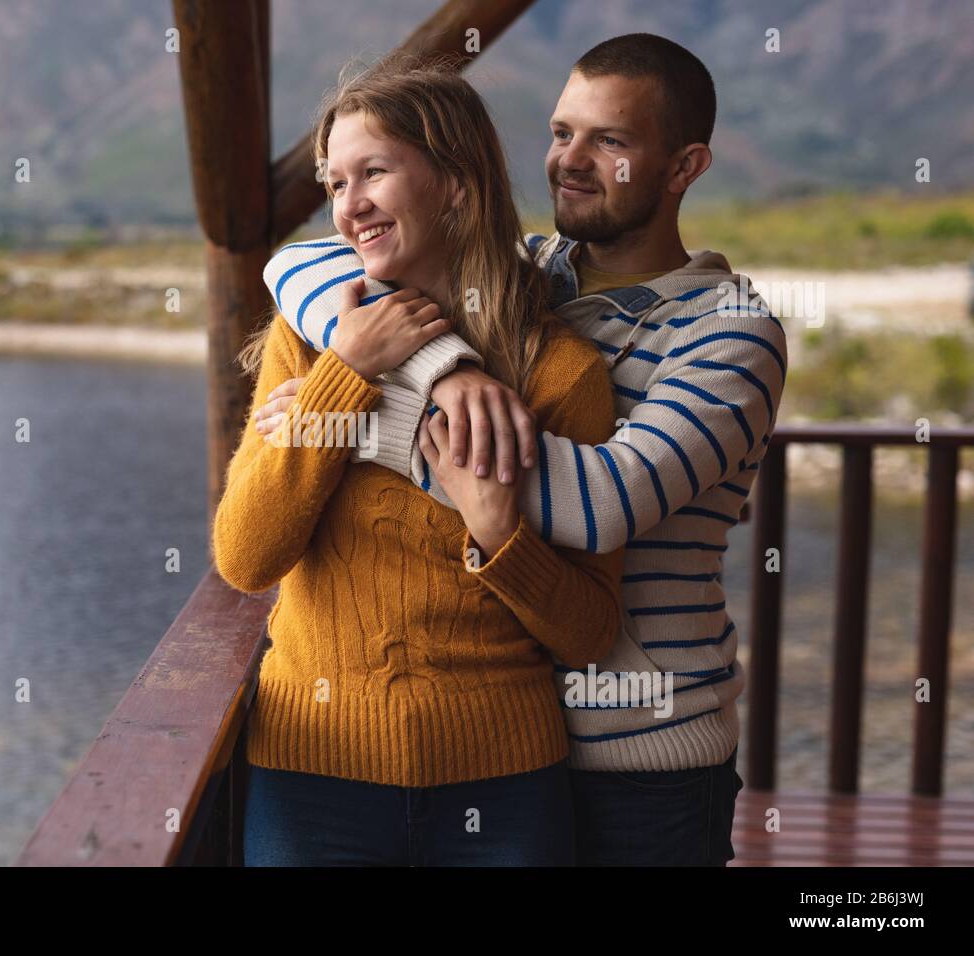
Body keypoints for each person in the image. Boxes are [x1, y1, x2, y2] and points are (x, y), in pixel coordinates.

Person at [259, 34, 788, 866]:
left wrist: (350, 419)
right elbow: (301, 261)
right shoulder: (528, 276)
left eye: (609, 141)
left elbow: (604, 500)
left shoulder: (731, 333)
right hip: (515, 744)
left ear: (684, 167)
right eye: (560, 132)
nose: (569, 163)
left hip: (640, 758)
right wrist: (441, 372)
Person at [211, 55, 625, 866]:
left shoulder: (560, 373)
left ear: (457, 184)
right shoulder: (312, 340)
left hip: (502, 785)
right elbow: (245, 558)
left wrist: (501, 538)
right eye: (334, 183)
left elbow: (590, 632)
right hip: (311, 776)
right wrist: (347, 375)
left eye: (374, 173)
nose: (349, 206)